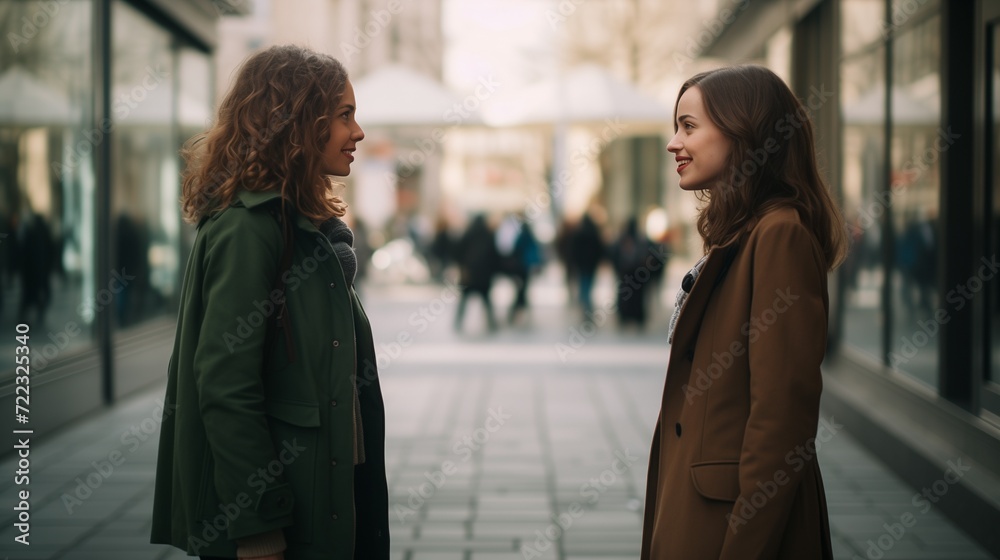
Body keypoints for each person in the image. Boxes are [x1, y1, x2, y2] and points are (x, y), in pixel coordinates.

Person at [151, 45, 389, 560]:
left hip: (322, 491)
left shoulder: (305, 226)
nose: (357, 132)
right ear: (298, 121)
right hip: (280, 514)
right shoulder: (249, 228)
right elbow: (225, 385)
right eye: (344, 115)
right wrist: (258, 528)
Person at [641, 65, 846, 560]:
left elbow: (781, 421)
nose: (673, 143)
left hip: (733, 529)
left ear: (744, 133)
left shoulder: (779, 236)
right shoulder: (741, 232)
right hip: (699, 513)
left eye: (689, 126)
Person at [454, 213, 499, 332]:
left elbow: (457, 252)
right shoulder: (488, 236)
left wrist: (463, 267)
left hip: (469, 275)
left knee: (464, 301)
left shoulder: (467, 235)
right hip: (484, 276)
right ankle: (492, 323)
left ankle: (458, 323)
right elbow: (494, 256)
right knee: (486, 301)